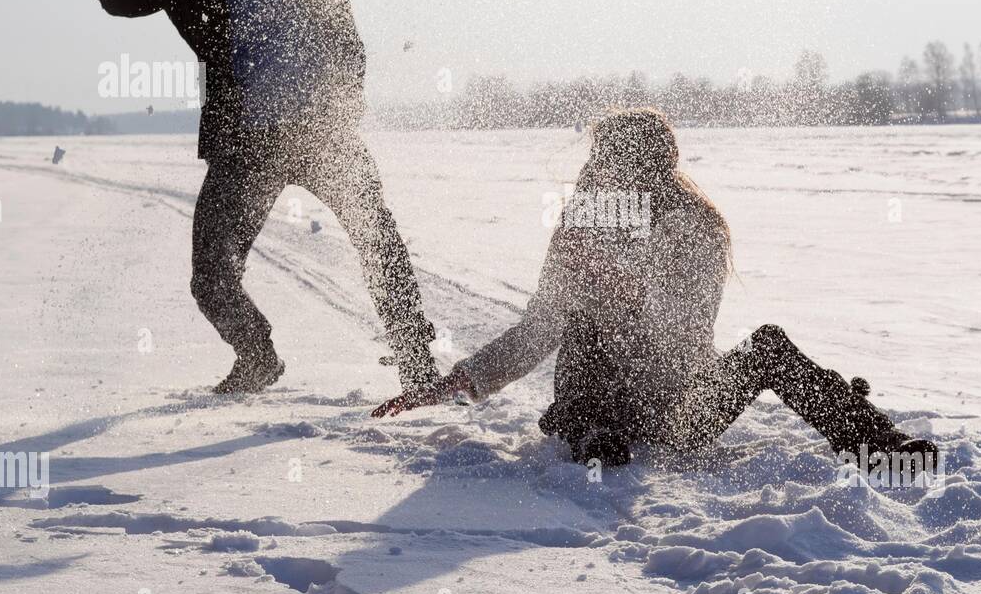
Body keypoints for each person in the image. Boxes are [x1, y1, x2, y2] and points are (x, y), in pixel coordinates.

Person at [77, 0, 564, 394]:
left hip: (322, 130)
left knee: (379, 244)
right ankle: (256, 356)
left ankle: (416, 367)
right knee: (211, 280)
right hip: (246, 142)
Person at [373, 108, 937, 469]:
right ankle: (595, 432)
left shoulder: (695, 225)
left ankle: (876, 443)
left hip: (677, 409)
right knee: (587, 326)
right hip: (591, 404)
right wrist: (455, 382)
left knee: (766, 344)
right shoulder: (582, 225)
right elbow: (539, 330)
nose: (596, 173)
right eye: (598, 164)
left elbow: (688, 331)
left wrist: (631, 294)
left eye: (610, 163)